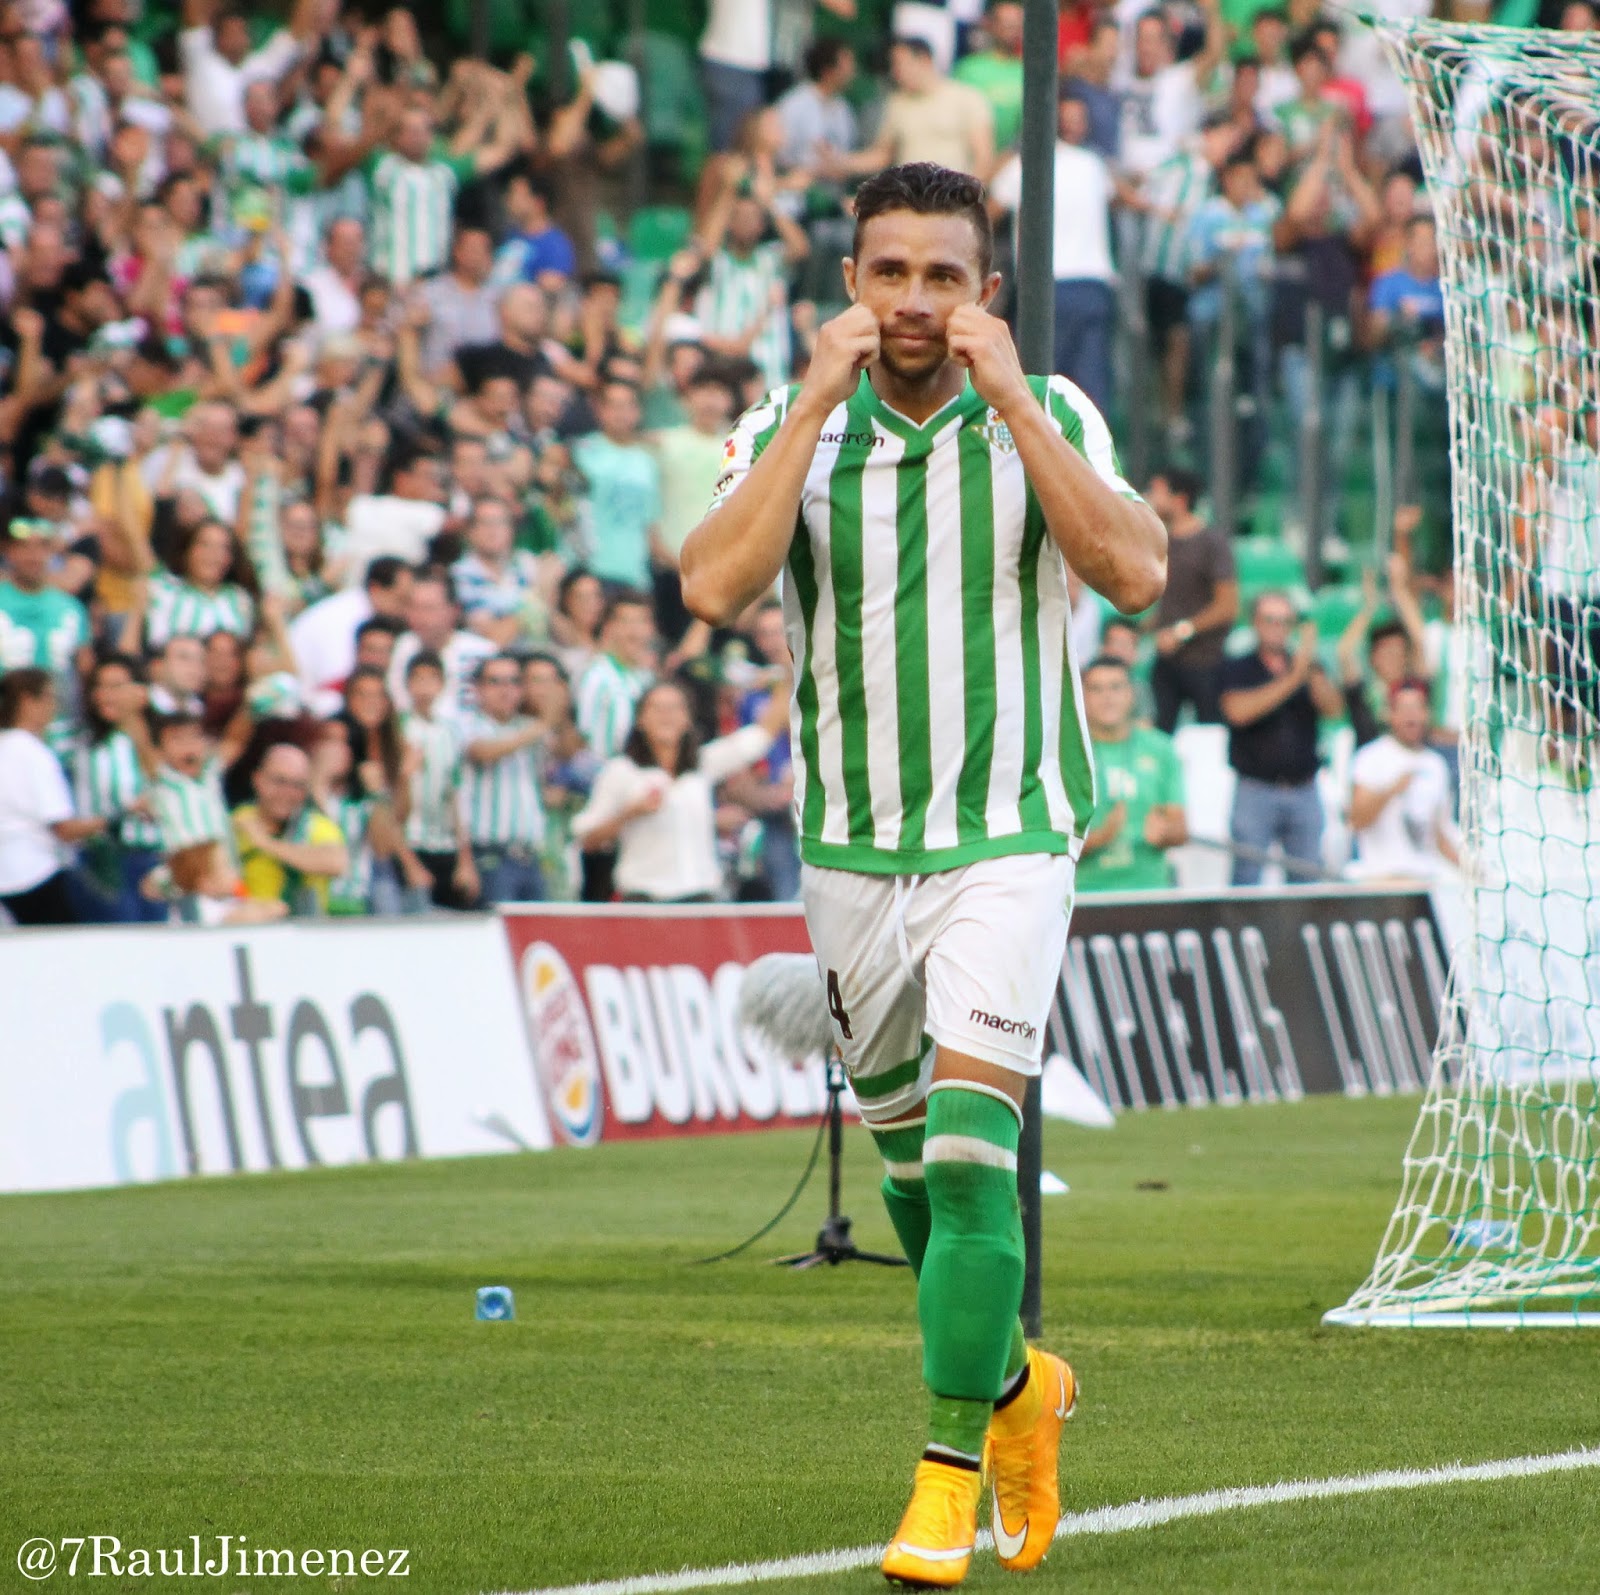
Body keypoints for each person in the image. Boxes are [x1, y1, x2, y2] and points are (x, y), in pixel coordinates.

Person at [679, 161, 1165, 1585]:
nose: (912, 301)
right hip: (849, 848)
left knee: (968, 1165)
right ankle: (1023, 1385)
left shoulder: (1049, 412)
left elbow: (1134, 574)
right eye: (888, 272)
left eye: (941, 276)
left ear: (986, 295)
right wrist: (811, 407)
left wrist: (1016, 398)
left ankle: (949, 1472)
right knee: (907, 1181)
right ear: (849, 285)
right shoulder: (787, 425)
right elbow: (711, 587)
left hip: (1009, 834)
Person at [574, 675, 790, 903]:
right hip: (643, 899)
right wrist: (631, 813)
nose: (666, 716)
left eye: (675, 708)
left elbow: (760, 736)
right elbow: (587, 839)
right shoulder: (621, 772)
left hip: (699, 898)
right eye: (657, 708)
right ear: (640, 719)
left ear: (687, 719)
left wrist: (786, 676)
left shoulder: (702, 765)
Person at [988, 92, 1116, 416]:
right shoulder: (1093, 164)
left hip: (1045, 288)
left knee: (1039, 388)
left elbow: (990, 215)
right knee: (1088, 392)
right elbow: (1118, 195)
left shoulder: (1023, 164)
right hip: (1091, 286)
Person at [1219, 592, 1343, 886]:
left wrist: (1309, 670)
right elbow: (1237, 712)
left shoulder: (1308, 667)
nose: (1277, 627)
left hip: (1304, 788)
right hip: (1255, 789)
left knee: (1307, 879)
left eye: (1285, 621)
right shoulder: (1238, 668)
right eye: (1270, 620)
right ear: (1255, 624)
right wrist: (1293, 678)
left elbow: (1334, 709)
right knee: (1246, 881)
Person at [0, 669, 107, 925]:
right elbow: (63, 828)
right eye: (49, 698)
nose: (53, 707)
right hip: (36, 872)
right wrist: (109, 821)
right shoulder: (34, 754)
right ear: (27, 702)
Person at [1076, 655, 1188, 891]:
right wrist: (1100, 838)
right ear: (1081, 696)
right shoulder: (1067, 754)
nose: (1107, 697)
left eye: (1115, 687)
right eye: (1096, 689)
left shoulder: (1160, 748)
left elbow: (1181, 829)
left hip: (1149, 891)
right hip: (1086, 893)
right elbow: (1048, 844)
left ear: (1131, 694)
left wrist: (1165, 833)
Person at [1143, 466, 1238, 732]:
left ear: (1180, 499)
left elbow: (1227, 606)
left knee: (1208, 739)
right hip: (1167, 662)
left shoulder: (1212, 543)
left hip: (1205, 663)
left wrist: (1181, 631)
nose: (1149, 497)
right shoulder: (1161, 542)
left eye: (1157, 492)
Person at [76, 653, 166, 922]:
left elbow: (167, 782)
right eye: (100, 687)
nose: (106, 695)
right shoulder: (85, 745)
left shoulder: (159, 737)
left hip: (152, 856)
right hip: (104, 860)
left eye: (116, 687)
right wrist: (123, 811)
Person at [1346, 678, 1459, 881]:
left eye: (1418, 708)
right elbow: (1357, 820)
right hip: (1382, 877)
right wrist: (1392, 790)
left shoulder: (1436, 764)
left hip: (1425, 877)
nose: (1412, 716)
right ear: (1390, 714)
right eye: (1405, 709)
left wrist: (1471, 871)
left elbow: (1438, 833)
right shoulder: (1371, 757)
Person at [460, 652, 547, 904]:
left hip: (531, 856)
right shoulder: (467, 723)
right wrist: (541, 726)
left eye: (513, 682)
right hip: (491, 856)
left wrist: (552, 706)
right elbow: (482, 752)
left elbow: (568, 751)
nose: (506, 690)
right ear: (477, 688)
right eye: (495, 682)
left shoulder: (527, 726)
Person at [232, 741, 350, 916]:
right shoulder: (240, 820)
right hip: (250, 931)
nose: (287, 792)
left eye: (297, 785)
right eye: (280, 781)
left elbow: (336, 863)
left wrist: (266, 844)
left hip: (306, 931)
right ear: (258, 780)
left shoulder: (315, 825)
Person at [400, 650, 477, 910]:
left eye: (431, 679)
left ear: (442, 685)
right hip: (410, 842)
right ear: (407, 684)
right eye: (417, 679)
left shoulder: (451, 732)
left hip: (445, 845)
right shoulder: (398, 727)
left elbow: (455, 794)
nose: (424, 688)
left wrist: (465, 861)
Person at [571, 382, 664, 597]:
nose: (620, 414)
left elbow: (649, 523)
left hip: (635, 574)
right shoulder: (582, 450)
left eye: (627, 406)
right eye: (613, 406)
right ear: (600, 410)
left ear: (638, 412)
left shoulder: (647, 461)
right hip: (591, 570)